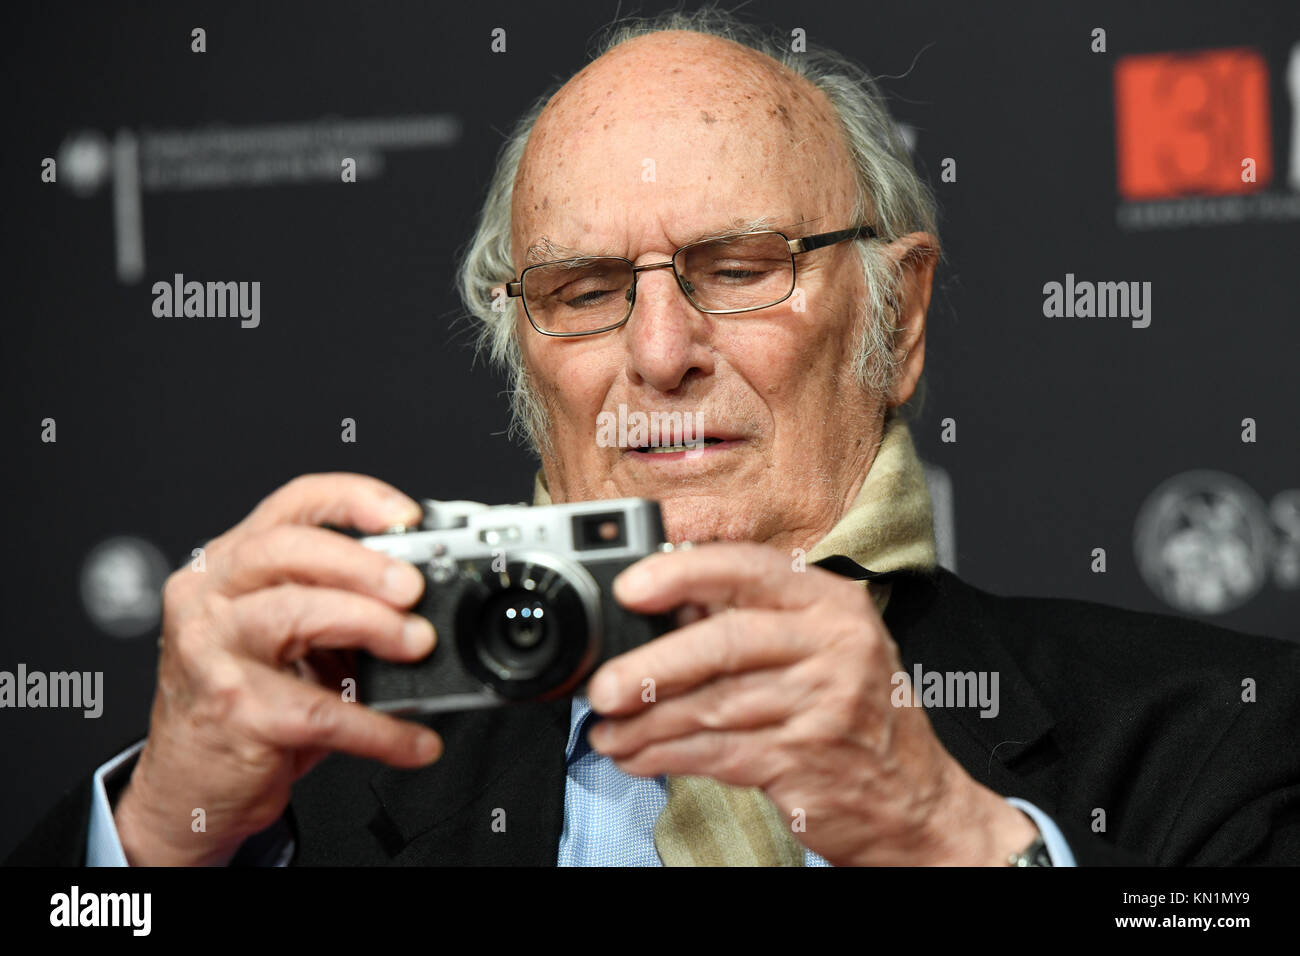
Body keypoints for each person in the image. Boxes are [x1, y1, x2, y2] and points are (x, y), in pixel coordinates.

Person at [9, 10, 1298, 868]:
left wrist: (947, 840)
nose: (660, 350)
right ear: (524, 351)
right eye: (582, 292)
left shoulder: (1214, 735)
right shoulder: (327, 794)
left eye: (740, 268)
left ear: (895, 319)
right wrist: (161, 835)